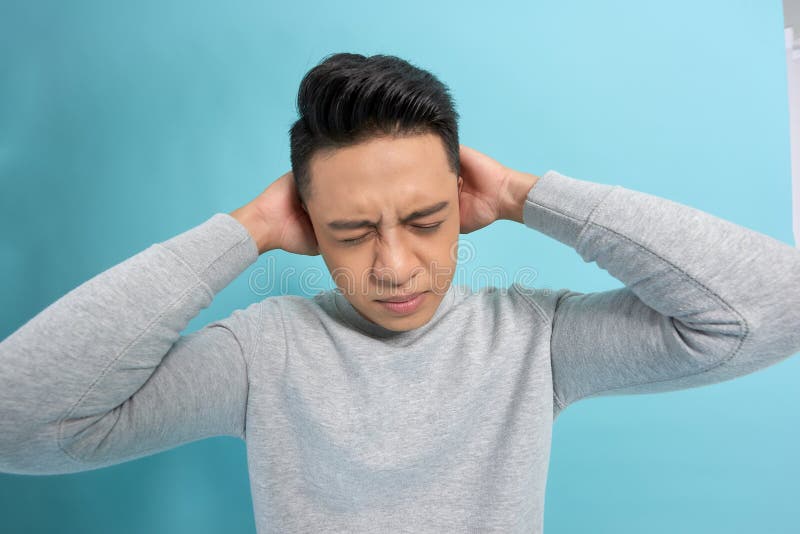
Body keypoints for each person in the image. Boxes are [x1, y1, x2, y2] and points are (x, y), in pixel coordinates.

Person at [1, 52, 799, 534]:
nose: (394, 266)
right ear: (308, 224)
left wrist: (526, 195)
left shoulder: (536, 339)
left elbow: (770, 310)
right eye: (351, 232)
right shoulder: (262, 352)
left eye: (424, 221)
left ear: (461, 200)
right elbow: (19, 425)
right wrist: (242, 231)